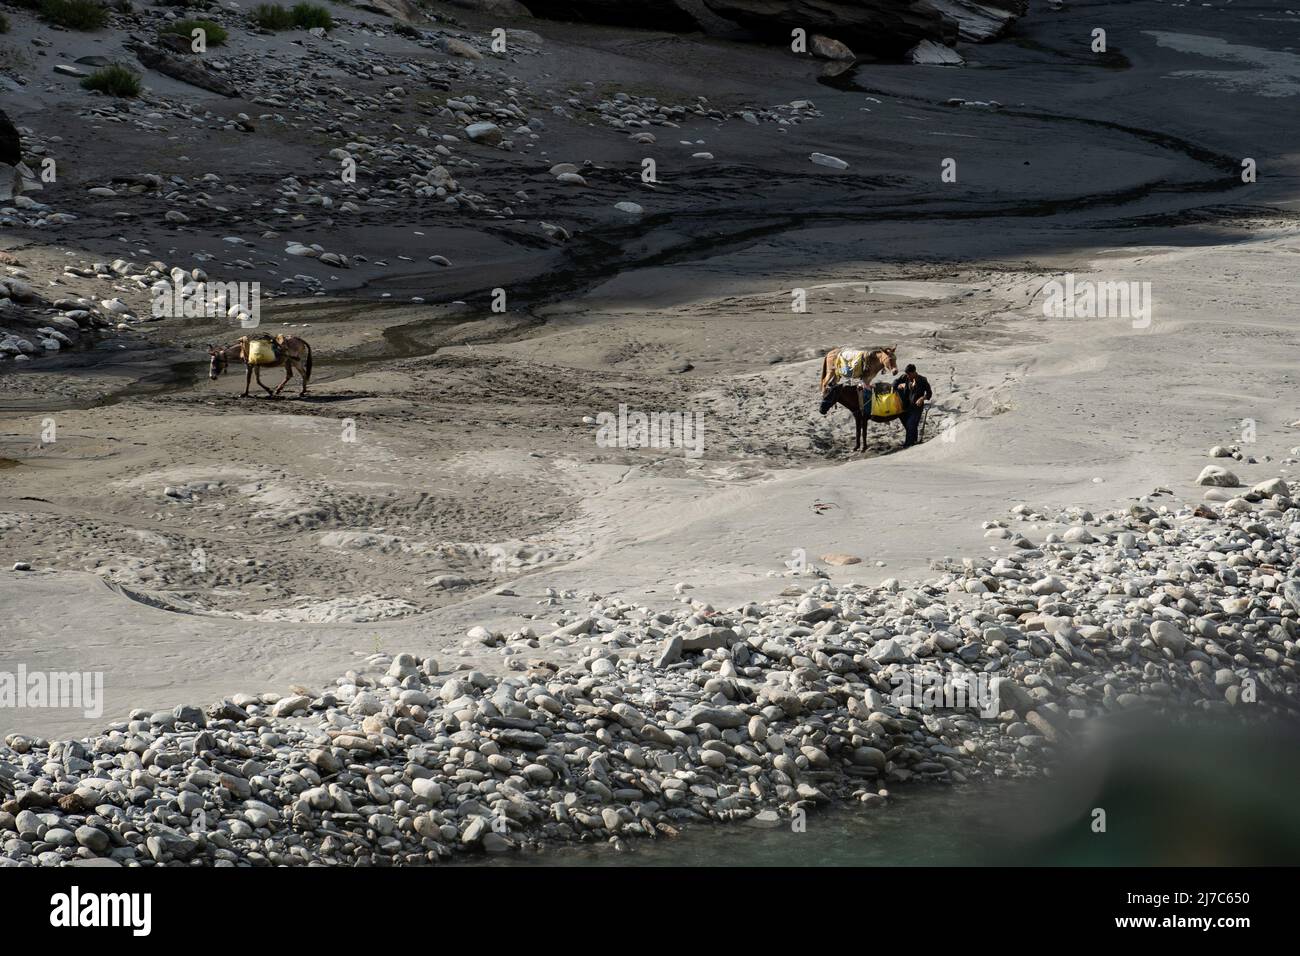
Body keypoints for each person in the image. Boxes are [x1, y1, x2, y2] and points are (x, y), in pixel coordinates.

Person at [893, 363, 932, 448]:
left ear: (914, 372)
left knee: (911, 424)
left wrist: (922, 398)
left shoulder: (922, 380)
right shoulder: (905, 377)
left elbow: (929, 394)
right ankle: (914, 441)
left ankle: (908, 445)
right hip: (906, 406)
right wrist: (898, 386)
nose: (908, 376)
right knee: (909, 426)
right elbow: (895, 382)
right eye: (907, 374)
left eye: (909, 374)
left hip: (917, 407)